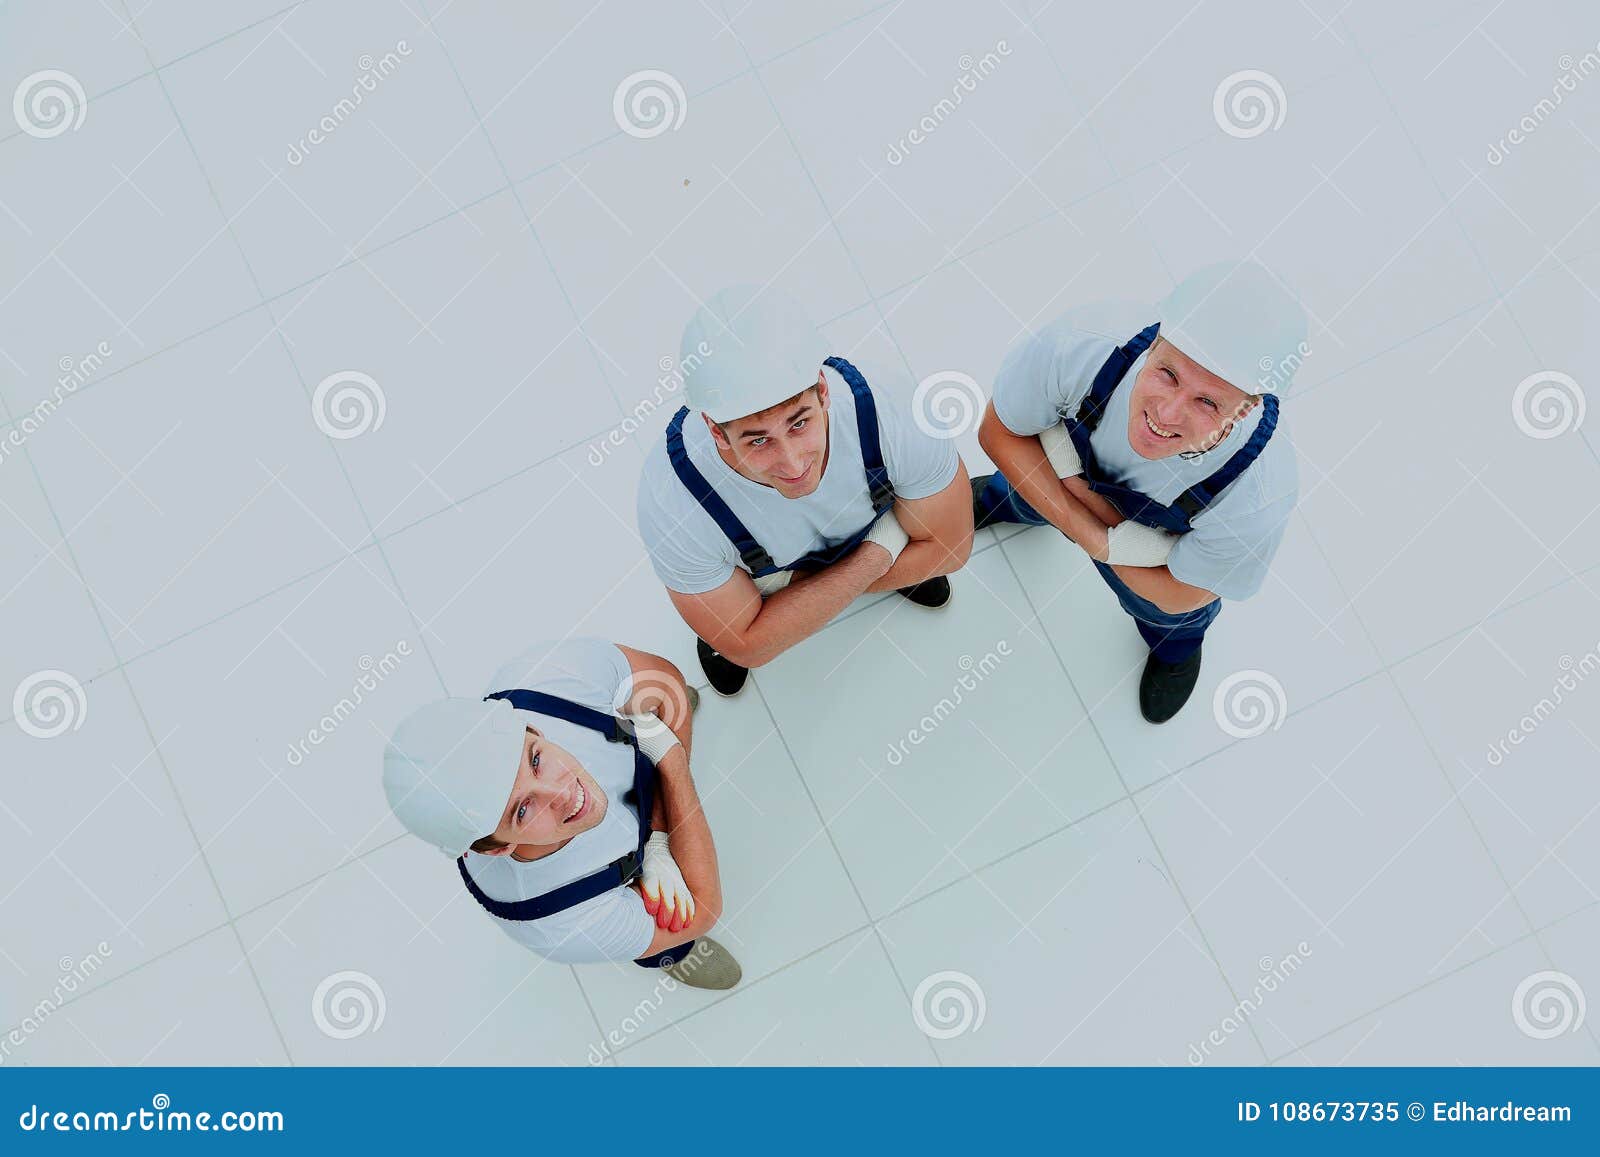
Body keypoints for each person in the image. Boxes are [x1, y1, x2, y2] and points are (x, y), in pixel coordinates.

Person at [971, 262, 1305, 723]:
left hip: (1149, 571)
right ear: (1155, 341)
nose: (1166, 415)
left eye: (1207, 403)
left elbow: (1181, 594)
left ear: (1247, 408)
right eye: (1168, 374)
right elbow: (999, 434)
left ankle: (1175, 651)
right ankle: (1002, 501)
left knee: (1168, 620)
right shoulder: (1081, 346)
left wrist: (1089, 524)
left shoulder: (1257, 494)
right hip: (1121, 536)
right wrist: (1088, 527)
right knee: (1017, 491)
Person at [638, 284, 975, 696]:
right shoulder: (673, 502)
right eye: (758, 441)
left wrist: (787, 608)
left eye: (800, 424)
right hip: (790, 562)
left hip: (799, 566)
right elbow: (749, 646)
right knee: (731, 640)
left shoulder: (895, 412)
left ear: (823, 389)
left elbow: (951, 551)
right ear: (715, 432)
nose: (794, 464)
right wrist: (882, 550)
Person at [382, 637, 740, 988]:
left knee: (663, 706)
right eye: (522, 811)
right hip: (623, 877)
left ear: (532, 728)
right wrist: (670, 754)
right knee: (670, 923)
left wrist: (661, 833)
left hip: (639, 763)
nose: (563, 794)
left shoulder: (547, 680)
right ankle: (670, 953)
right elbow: (704, 908)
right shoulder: (556, 921)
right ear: (497, 848)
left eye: (536, 760)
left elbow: (669, 689)